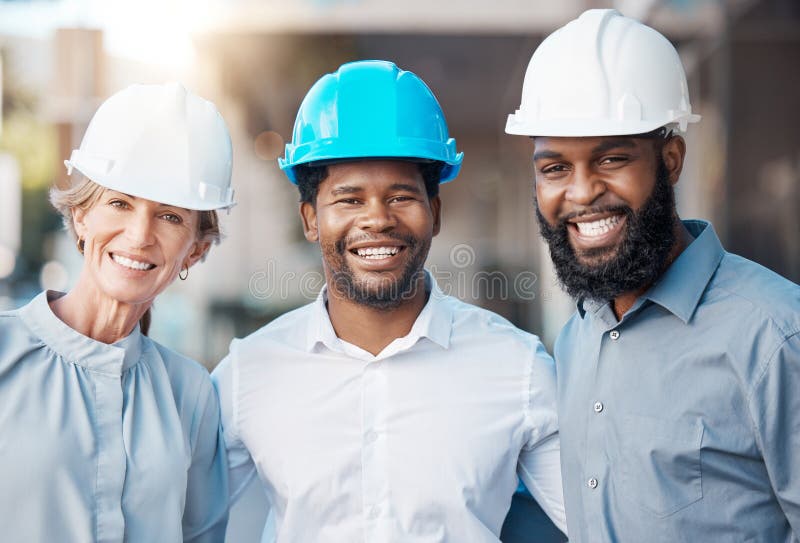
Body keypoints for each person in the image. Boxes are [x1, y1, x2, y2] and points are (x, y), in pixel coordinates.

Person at [212, 59, 566, 542]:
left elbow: (603, 526)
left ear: (434, 213)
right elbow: (176, 519)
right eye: (349, 199)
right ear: (310, 219)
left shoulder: (518, 367)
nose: (377, 219)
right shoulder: (247, 374)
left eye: (400, 197)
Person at [505, 8, 800, 542]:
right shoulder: (577, 340)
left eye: (611, 159)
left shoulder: (776, 337)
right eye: (554, 168)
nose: (581, 191)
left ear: (670, 160)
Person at [0, 83, 233, 542]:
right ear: (82, 216)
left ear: (194, 251)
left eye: (170, 217)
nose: (139, 235)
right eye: (119, 203)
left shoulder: (191, 394)